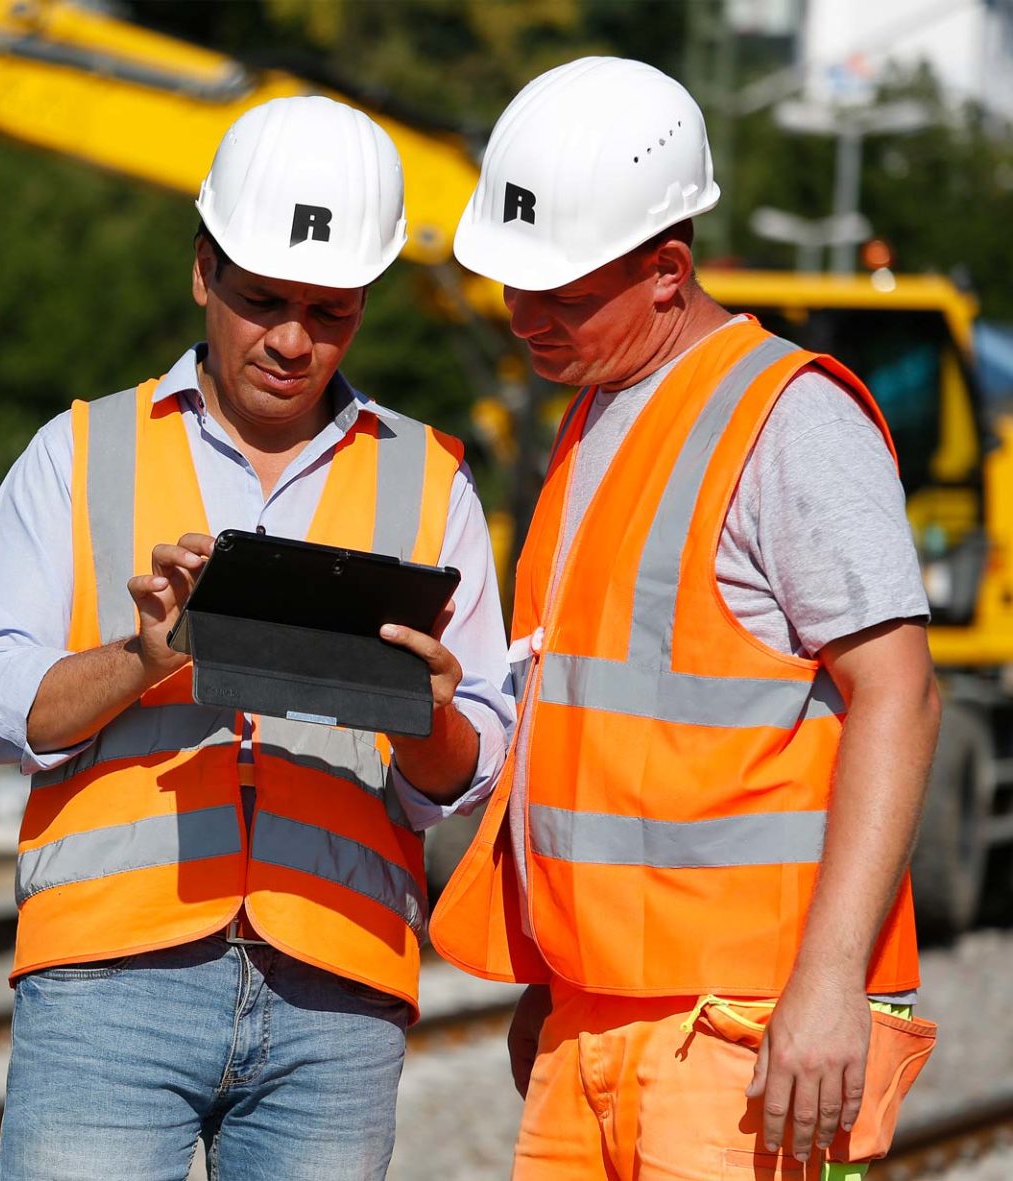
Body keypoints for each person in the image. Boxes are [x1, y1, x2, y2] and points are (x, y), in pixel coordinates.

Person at [0, 96, 512, 1180]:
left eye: (331, 310)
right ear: (204, 270)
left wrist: (431, 714)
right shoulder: (78, 452)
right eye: (264, 302)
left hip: (335, 988)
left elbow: (469, 767)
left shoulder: (429, 477)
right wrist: (142, 658)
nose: (294, 340)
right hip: (109, 974)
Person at [430, 57, 940, 1180]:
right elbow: (598, 743)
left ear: (667, 269)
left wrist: (828, 984)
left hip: (746, 1030)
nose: (522, 316)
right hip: (589, 1019)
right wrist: (552, 982)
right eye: (511, 285)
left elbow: (899, 690)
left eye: (559, 294)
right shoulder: (594, 423)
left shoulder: (789, 416)